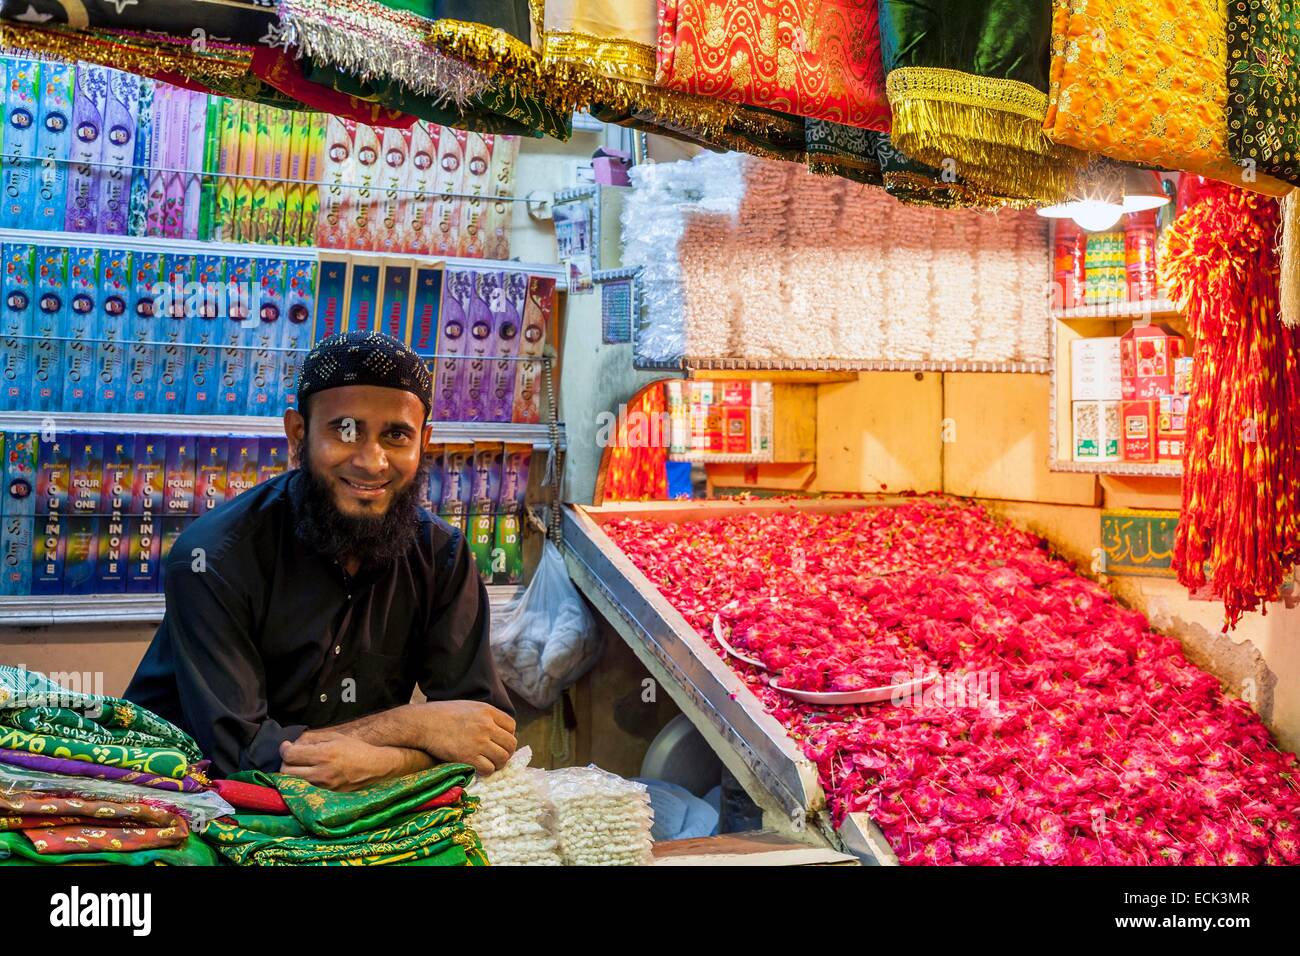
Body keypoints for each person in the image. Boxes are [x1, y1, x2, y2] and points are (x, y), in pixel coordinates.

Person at [126, 331, 517, 789]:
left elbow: (486, 735)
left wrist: (378, 762)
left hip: (351, 806)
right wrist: (412, 728)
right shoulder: (213, 558)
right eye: (345, 430)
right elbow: (242, 759)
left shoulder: (442, 556)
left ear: (423, 442)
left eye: (396, 435)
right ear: (298, 432)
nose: (372, 461)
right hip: (187, 801)